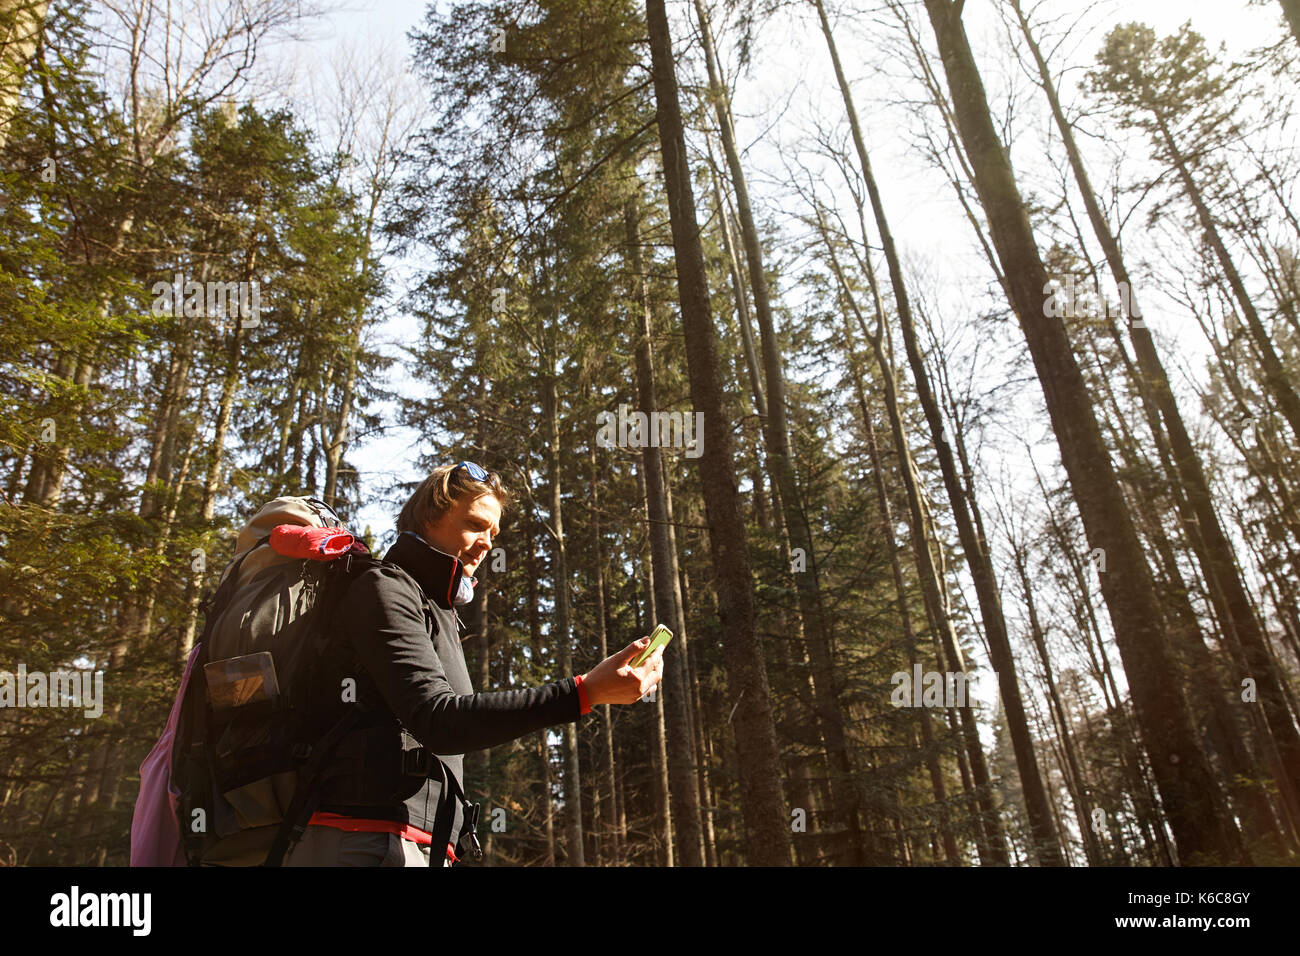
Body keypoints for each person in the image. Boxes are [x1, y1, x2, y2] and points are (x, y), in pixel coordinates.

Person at [283, 461, 664, 866]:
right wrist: (584, 692)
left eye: (493, 533)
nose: (487, 543)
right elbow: (440, 720)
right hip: (362, 840)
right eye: (474, 524)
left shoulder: (437, 608)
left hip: (415, 844)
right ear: (430, 516)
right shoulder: (384, 589)